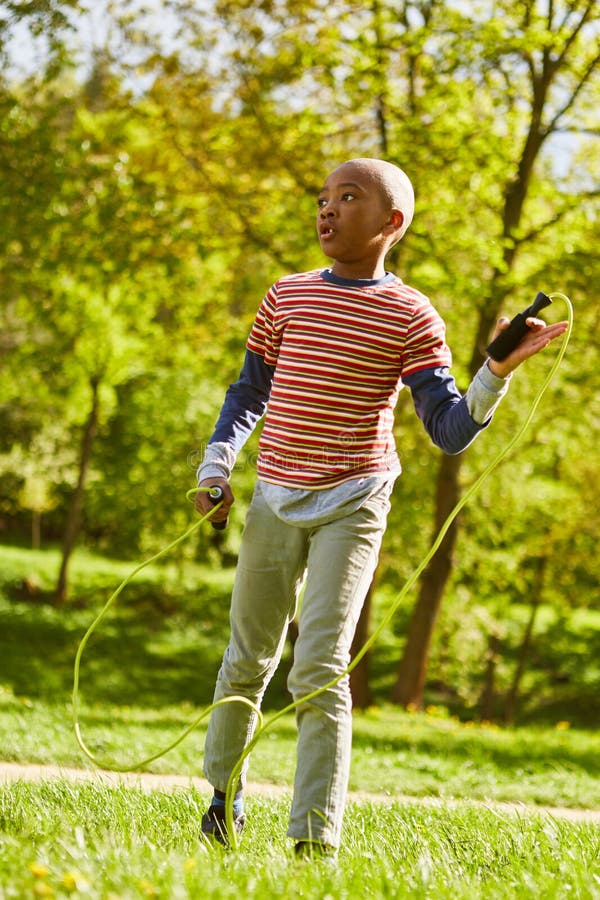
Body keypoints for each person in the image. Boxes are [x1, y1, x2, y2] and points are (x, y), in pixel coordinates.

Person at [194, 158, 568, 856]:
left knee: (319, 666)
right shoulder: (287, 297)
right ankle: (222, 800)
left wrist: (495, 372)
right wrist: (216, 463)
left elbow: (449, 430)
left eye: (348, 197)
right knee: (248, 657)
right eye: (323, 198)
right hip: (275, 490)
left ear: (390, 224)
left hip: (354, 498)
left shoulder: (410, 314)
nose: (327, 209)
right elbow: (247, 394)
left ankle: (313, 841)